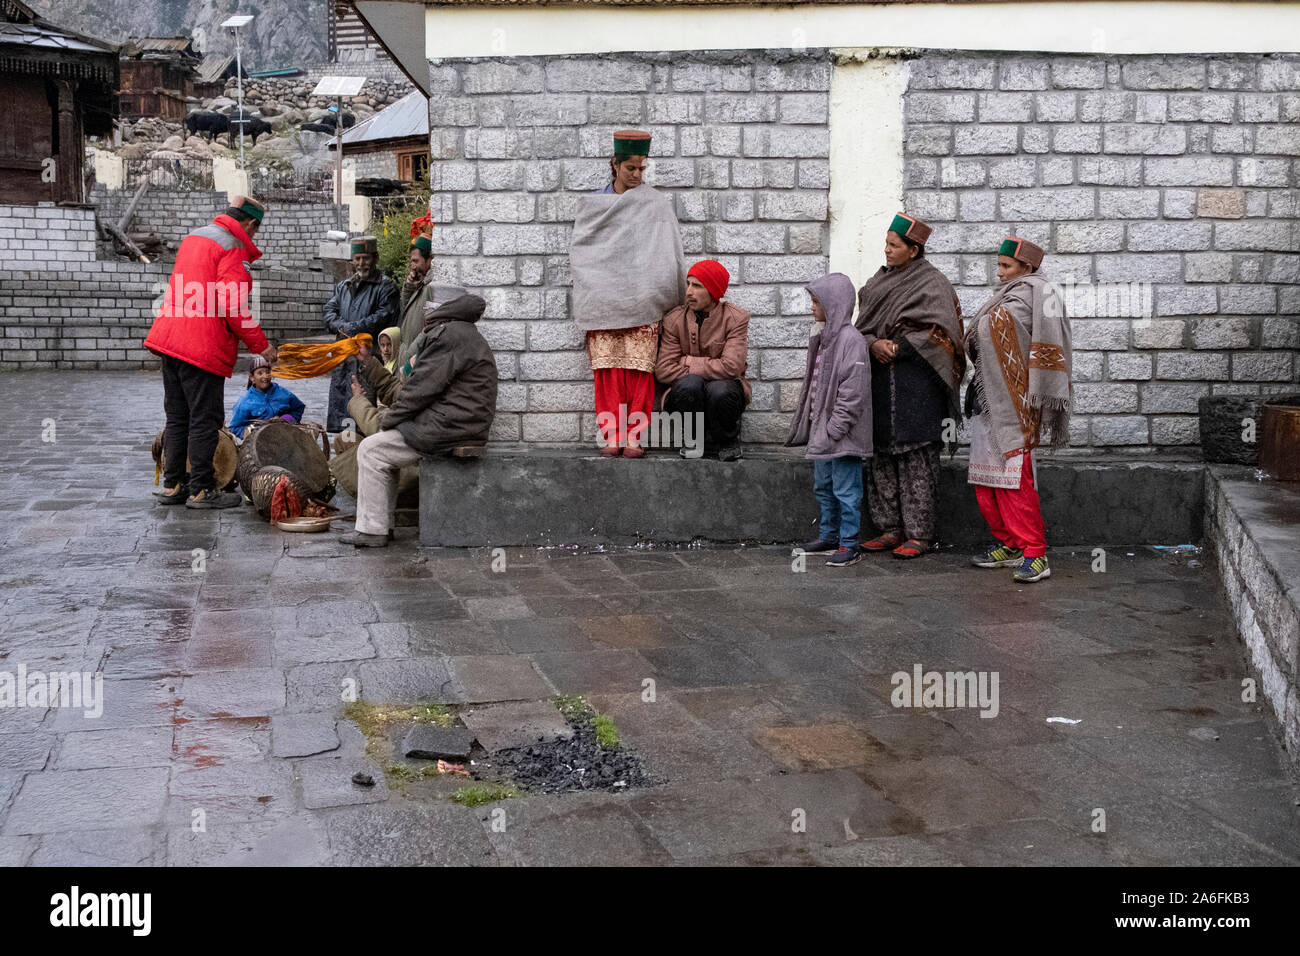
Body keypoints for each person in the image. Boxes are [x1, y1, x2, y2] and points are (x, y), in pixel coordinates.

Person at [144, 195, 277, 509]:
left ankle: (174, 484)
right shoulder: (232, 247)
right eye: (256, 230)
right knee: (205, 419)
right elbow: (233, 307)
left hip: (170, 338)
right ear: (251, 223)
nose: (254, 237)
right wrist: (262, 346)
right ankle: (202, 489)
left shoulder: (196, 237)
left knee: (177, 417)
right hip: (200, 346)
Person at [339, 294, 498, 548]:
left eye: (430, 306)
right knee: (380, 448)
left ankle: (373, 529)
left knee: (371, 450)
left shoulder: (448, 335)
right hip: (459, 423)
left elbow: (419, 391)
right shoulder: (460, 333)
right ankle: (379, 526)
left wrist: (390, 421)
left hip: (451, 428)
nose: (425, 311)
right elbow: (410, 390)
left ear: (440, 308)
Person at [855, 213, 965, 560]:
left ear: (914, 250)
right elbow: (861, 327)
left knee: (917, 459)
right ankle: (889, 529)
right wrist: (873, 343)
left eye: (894, 245)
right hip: (879, 382)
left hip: (916, 385)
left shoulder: (933, 283)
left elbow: (944, 335)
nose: (887, 250)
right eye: (886, 243)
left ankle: (919, 534)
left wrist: (899, 347)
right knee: (882, 456)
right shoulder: (876, 283)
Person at [570, 129, 683, 458]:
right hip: (603, 300)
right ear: (614, 164)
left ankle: (634, 437)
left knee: (638, 372)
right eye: (630, 168)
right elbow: (585, 251)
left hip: (642, 302)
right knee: (608, 372)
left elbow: (666, 252)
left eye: (641, 169)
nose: (636, 175)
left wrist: (655, 289)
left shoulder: (655, 204)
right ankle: (612, 435)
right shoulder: (595, 205)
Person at [965, 237, 1071, 583]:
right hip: (988, 400)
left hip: (1016, 404)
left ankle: (1035, 554)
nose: (1000, 273)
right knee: (987, 479)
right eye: (998, 265)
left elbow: (1044, 343)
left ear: (1027, 268)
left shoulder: (1041, 295)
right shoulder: (1005, 295)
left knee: (1014, 482)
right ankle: (1009, 544)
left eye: (1006, 266)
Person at [785, 274, 872, 567]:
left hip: (843, 436)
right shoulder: (823, 339)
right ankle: (829, 536)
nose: (812, 308)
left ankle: (850, 543)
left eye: (816, 302)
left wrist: (835, 427)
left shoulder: (851, 340)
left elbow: (853, 390)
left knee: (847, 490)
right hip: (823, 433)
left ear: (833, 305)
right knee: (824, 486)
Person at [655, 259, 750, 461]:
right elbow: (663, 370)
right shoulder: (674, 320)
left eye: (697, 286)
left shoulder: (735, 319)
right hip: (686, 395)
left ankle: (727, 442)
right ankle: (692, 440)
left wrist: (687, 361)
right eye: (688, 284)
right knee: (691, 384)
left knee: (719, 389)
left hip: (724, 395)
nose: (689, 291)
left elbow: (732, 367)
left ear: (713, 291)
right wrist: (708, 372)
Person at [323, 235, 398, 432]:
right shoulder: (344, 286)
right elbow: (329, 311)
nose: (361, 263)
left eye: (365, 258)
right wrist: (341, 326)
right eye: (357, 259)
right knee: (343, 417)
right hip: (343, 360)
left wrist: (352, 328)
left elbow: (383, 315)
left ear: (375, 259)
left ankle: (362, 457)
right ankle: (345, 456)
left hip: (368, 361)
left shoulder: (385, 286)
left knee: (365, 416)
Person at [228, 355, 306, 438]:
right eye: (260, 373)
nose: (265, 376)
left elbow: (299, 408)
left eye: (268, 372)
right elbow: (235, 428)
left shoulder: (283, 393)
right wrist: (254, 431)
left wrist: (285, 419)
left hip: (284, 436)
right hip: (259, 443)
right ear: (252, 378)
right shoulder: (245, 401)